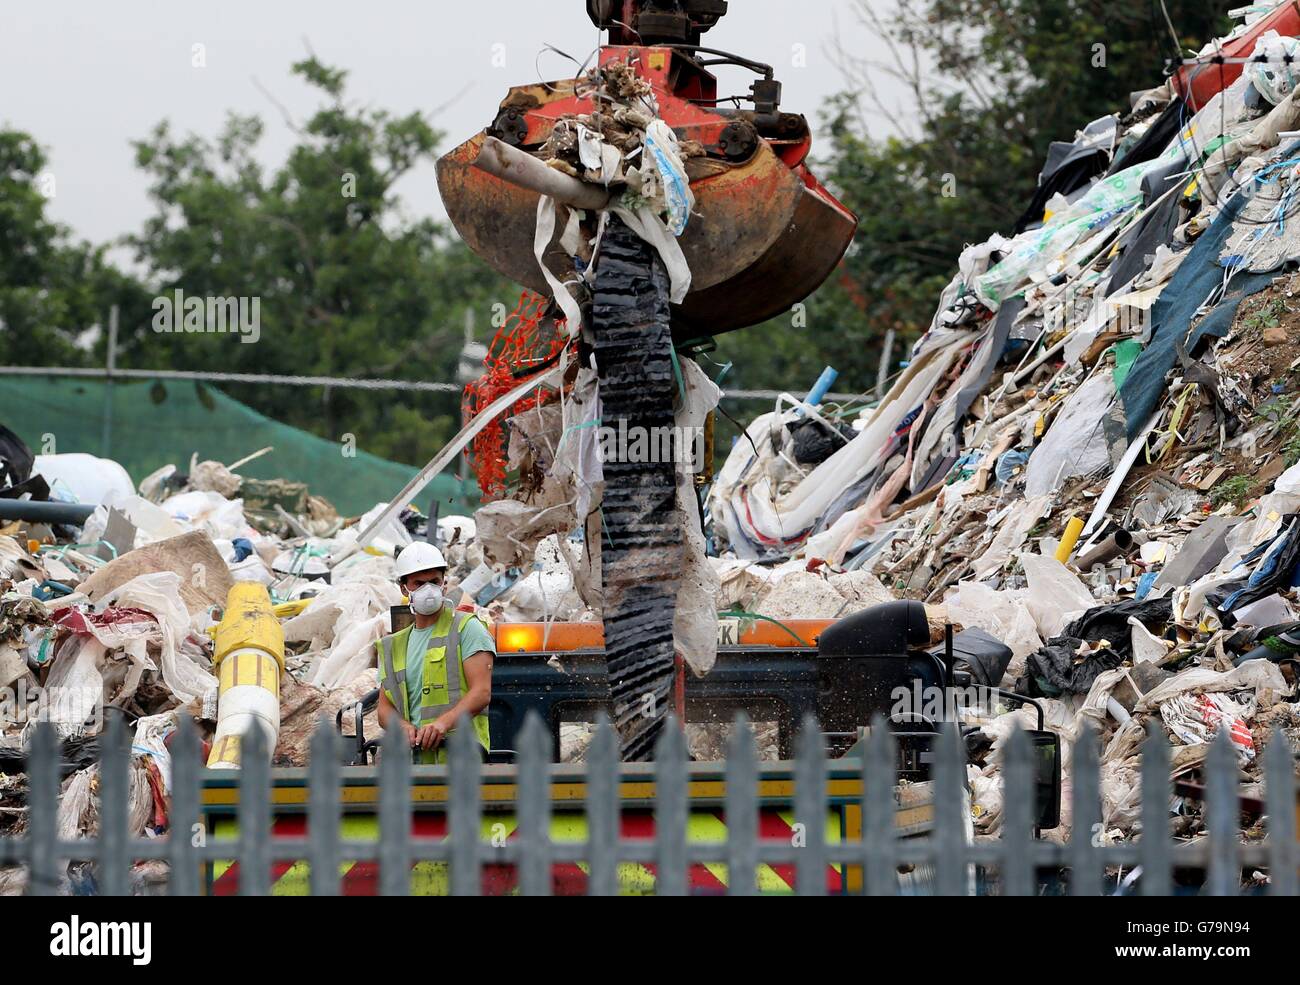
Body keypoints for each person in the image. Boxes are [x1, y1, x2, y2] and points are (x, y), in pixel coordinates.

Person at [375, 542, 494, 763]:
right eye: (418, 583)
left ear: (444, 584)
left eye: (434, 582)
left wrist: (443, 724)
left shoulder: (467, 628)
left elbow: (481, 693)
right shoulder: (393, 645)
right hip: (411, 764)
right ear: (404, 589)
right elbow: (384, 708)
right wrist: (401, 727)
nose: (427, 589)